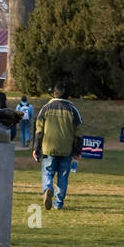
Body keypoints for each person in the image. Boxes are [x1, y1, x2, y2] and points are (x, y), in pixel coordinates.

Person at [32, 82, 83, 211]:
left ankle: (47, 189)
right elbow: (79, 133)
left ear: (54, 93)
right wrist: (77, 151)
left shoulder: (46, 108)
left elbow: (39, 130)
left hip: (49, 148)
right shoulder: (73, 110)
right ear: (68, 95)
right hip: (67, 150)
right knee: (63, 177)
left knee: (47, 172)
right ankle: (58, 203)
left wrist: (36, 149)